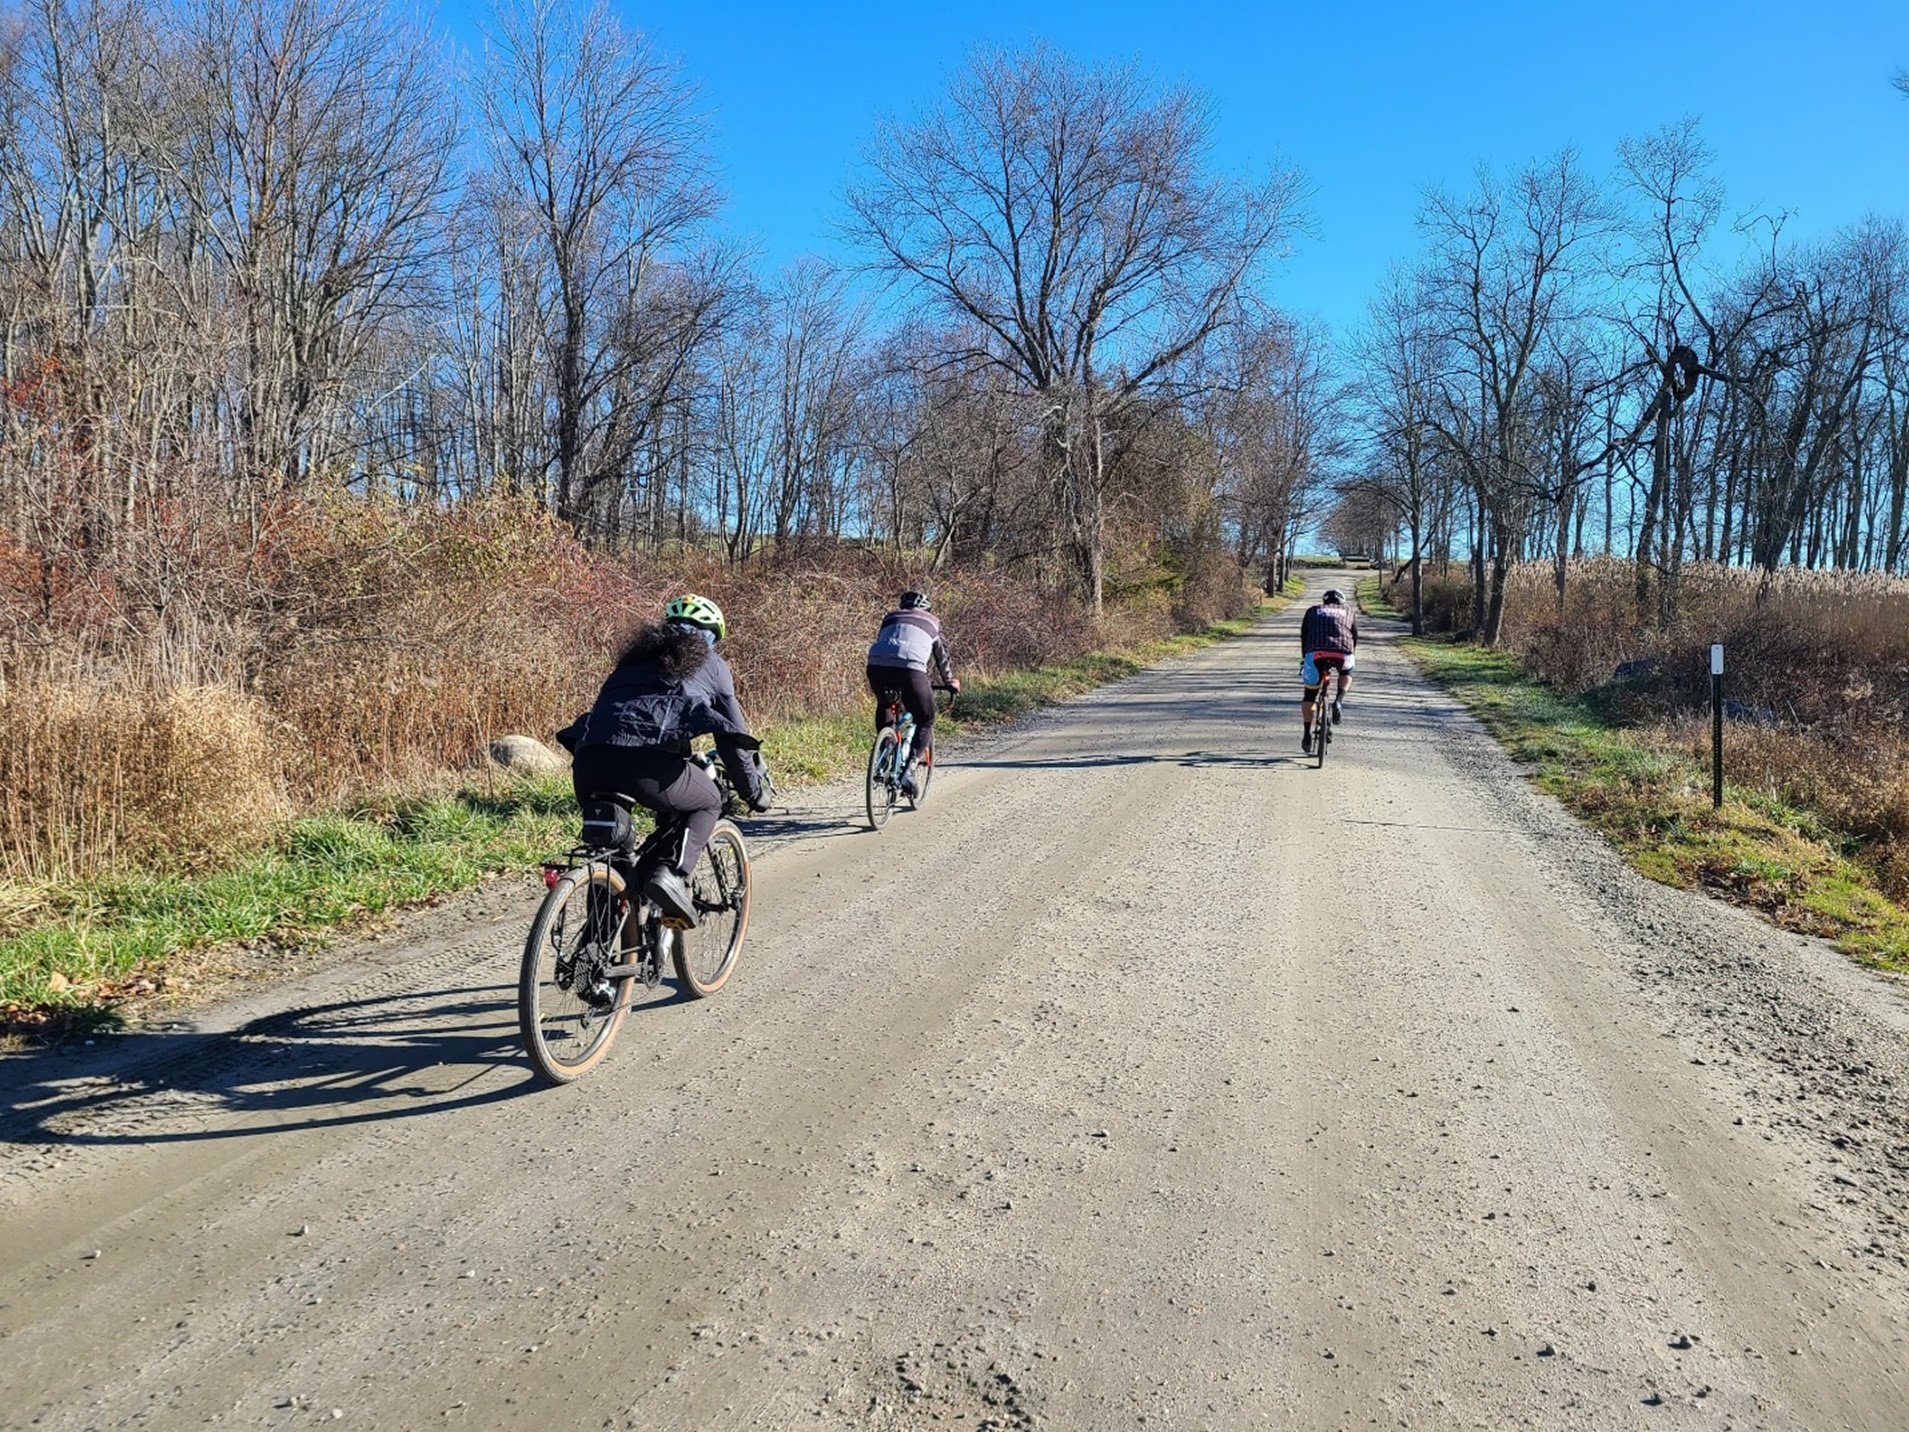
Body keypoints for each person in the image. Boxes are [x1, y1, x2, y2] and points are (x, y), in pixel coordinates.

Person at [556, 594, 770, 926]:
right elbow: (731, 739)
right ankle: (672, 873)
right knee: (709, 800)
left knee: (613, 854)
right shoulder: (712, 664)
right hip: (644, 766)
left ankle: (598, 948)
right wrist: (754, 794)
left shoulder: (633, 659)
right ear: (711, 634)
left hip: (589, 762)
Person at [866, 589, 960, 798]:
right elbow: (941, 657)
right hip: (911, 669)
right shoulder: (933, 622)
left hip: (876, 665)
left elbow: (885, 641)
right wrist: (950, 682)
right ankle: (909, 771)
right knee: (926, 719)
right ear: (926, 609)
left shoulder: (890, 617)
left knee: (884, 704)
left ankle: (884, 751)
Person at [1299, 587, 1359, 755]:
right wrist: (1350, 654)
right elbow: (1354, 637)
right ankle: (1339, 700)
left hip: (1316, 651)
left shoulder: (1312, 611)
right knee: (1347, 673)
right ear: (1341, 602)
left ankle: (1306, 735)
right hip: (1343, 651)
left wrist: (1305, 657)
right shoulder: (1348, 612)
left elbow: (1304, 635)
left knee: (1310, 695)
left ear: (1324, 601)